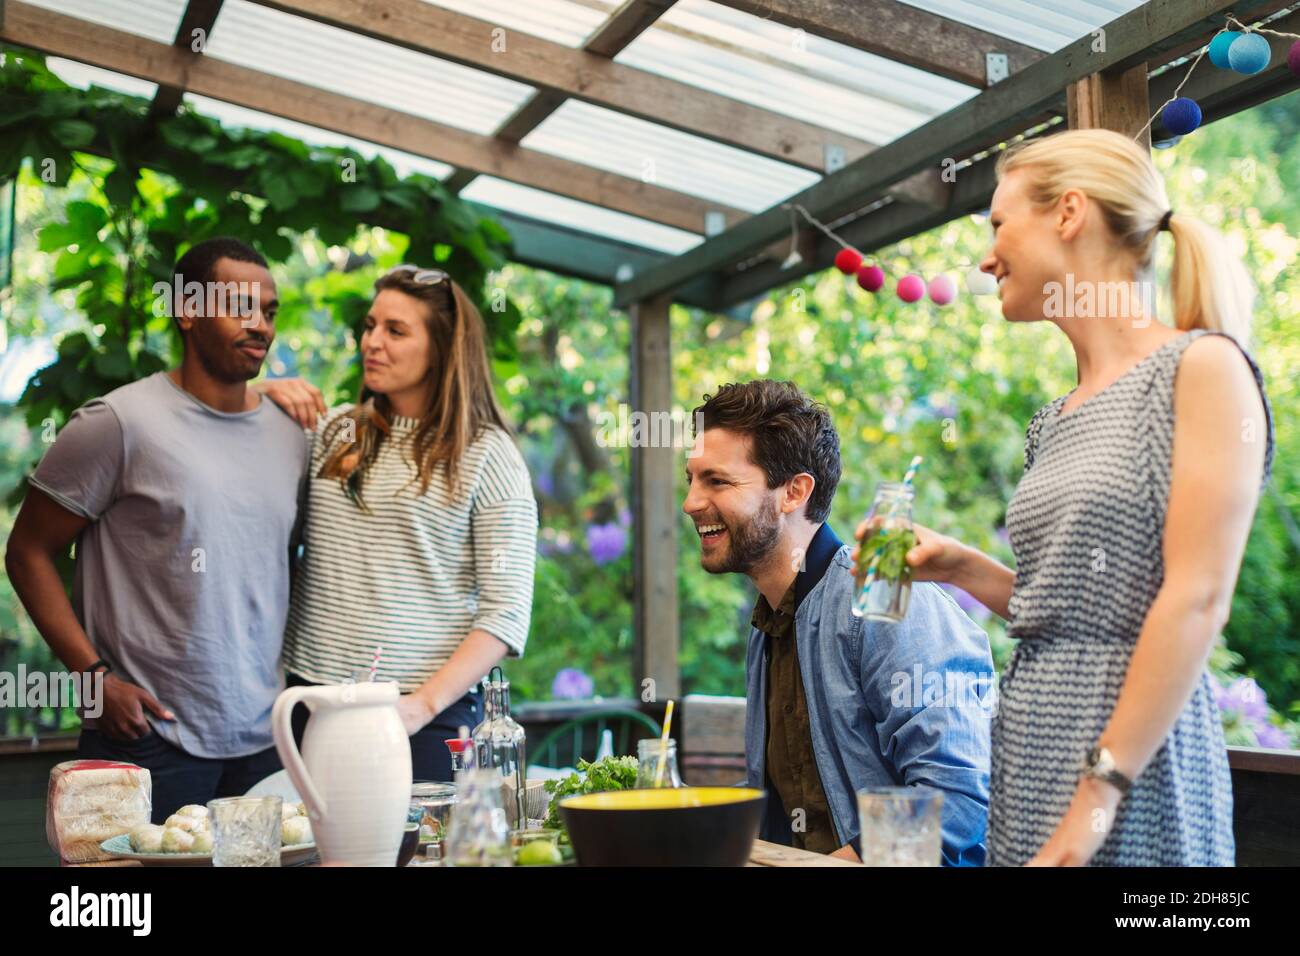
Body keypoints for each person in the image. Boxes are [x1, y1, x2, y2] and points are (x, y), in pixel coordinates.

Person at [855, 129, 1272, 866]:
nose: (986, 257)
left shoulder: (1202, 370)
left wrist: (1096, 803)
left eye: (998, 224)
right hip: (1031, 758)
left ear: (1069, 212)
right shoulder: (1054, 419)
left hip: (1131, 769)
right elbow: (1077, 613)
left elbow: (1197, 600)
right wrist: (960, 567)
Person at [5, 237, 309, 820]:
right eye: (241, 306)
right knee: (129, 910)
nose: (261, 325)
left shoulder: (292, 435)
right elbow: (27, 553)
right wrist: (95, 680)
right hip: (148, 735)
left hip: (264, 740)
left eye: (269, 311)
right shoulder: (117, 423)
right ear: (187, 311)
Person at [683, 380, 992, 865]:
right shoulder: (768, 623)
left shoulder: (888, 601)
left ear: (794, 492)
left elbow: (958, 801)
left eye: (716, 481)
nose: (691, 502)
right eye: (692, 479)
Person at [259, 266, 537, 782]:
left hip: (421, 720)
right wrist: (263, 394)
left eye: (396, 330)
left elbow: (506, 613)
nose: (372, 342)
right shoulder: (339, 431)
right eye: (370, 325)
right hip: (309, 703)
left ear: (443, 348)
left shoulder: (487, 454)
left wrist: (420, 707)